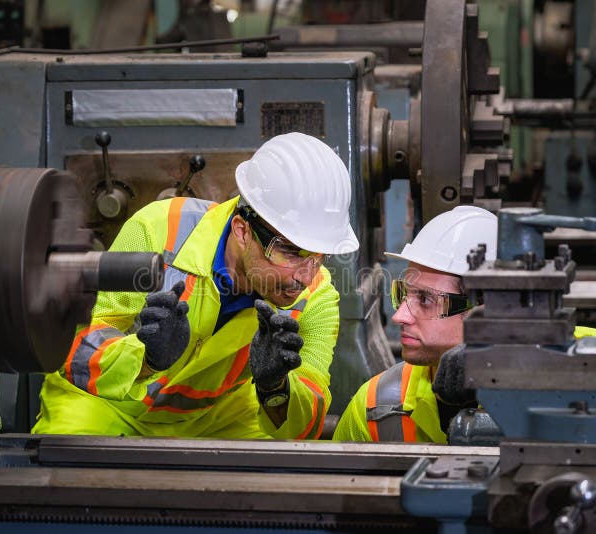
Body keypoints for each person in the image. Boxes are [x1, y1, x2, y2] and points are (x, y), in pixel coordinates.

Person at [32, 132, 359, 439]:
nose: (305, 276)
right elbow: (74, 350)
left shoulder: (317, 298)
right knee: (62, 468)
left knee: (283, 479)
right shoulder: (160, 231)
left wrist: (275, 387)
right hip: (107, 404)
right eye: (289, 251)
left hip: (217, 417)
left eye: (320, 257)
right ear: (243, 230)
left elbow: (304, 428)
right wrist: (145, 357)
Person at [333, 206, 596, 443]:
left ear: (486, 309)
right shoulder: (375, 407)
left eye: (426, 300)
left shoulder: (590, 360)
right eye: (404, 294)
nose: (399, 317)